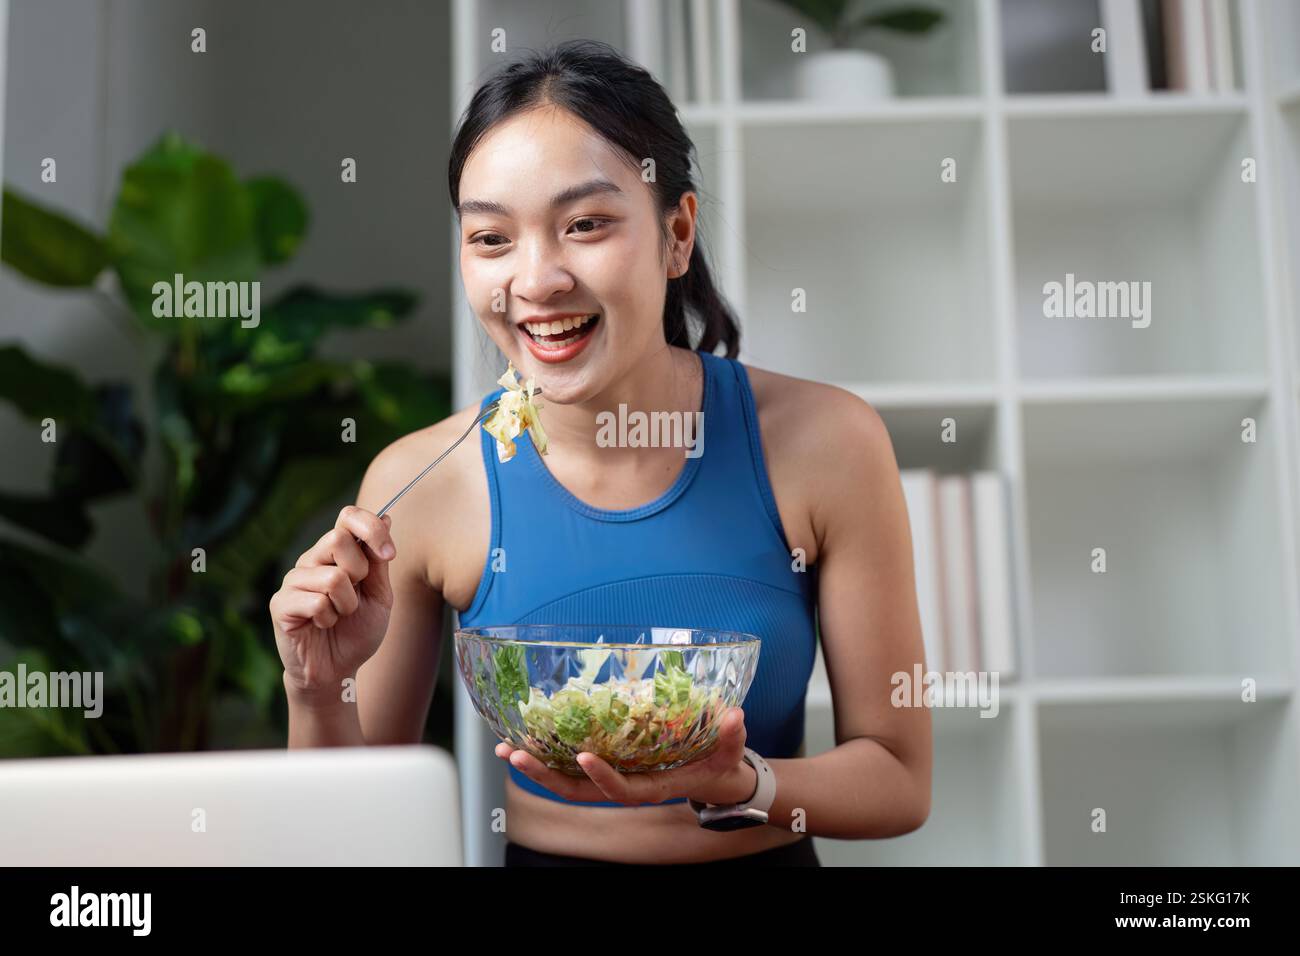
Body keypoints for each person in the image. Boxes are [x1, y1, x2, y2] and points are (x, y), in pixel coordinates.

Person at [270, 39, 931, 866]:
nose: (537, 280)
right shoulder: (421, 485)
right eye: (491, 239)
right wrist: (314, 684)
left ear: (676, 233)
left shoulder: (827, 442)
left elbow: (900, 779)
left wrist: (742, 785)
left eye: (585, 224)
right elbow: (349, 838)